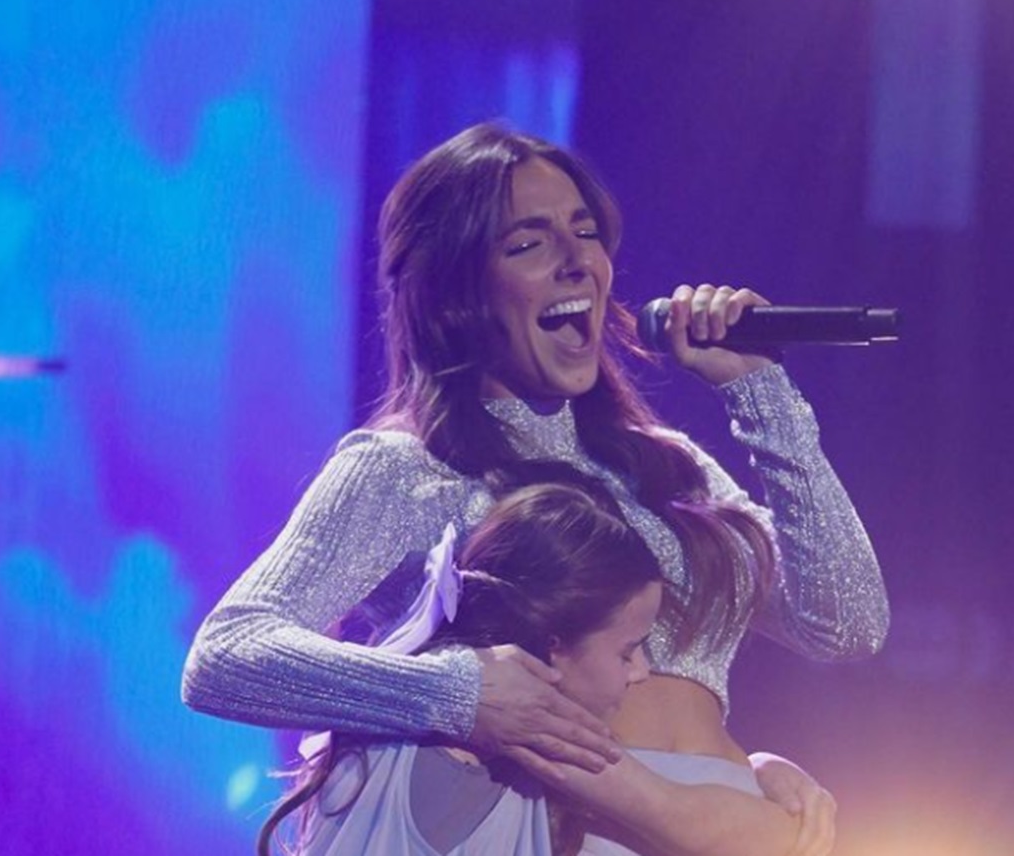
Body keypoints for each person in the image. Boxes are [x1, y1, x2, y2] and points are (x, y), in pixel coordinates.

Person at [182, 122, 889, 853]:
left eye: (585, 234)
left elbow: (845, 623)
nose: (577, 262)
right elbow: (227, 655)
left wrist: (760, 394)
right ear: (456, 294)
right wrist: (456, 694)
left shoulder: (666, 465)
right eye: (529, 244)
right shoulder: (407, 470)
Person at [258, 482, 801, 856]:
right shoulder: (520, 741)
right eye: (628, 650)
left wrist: (761, 766)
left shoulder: (531, 745)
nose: (640, 674)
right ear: (554, 647)